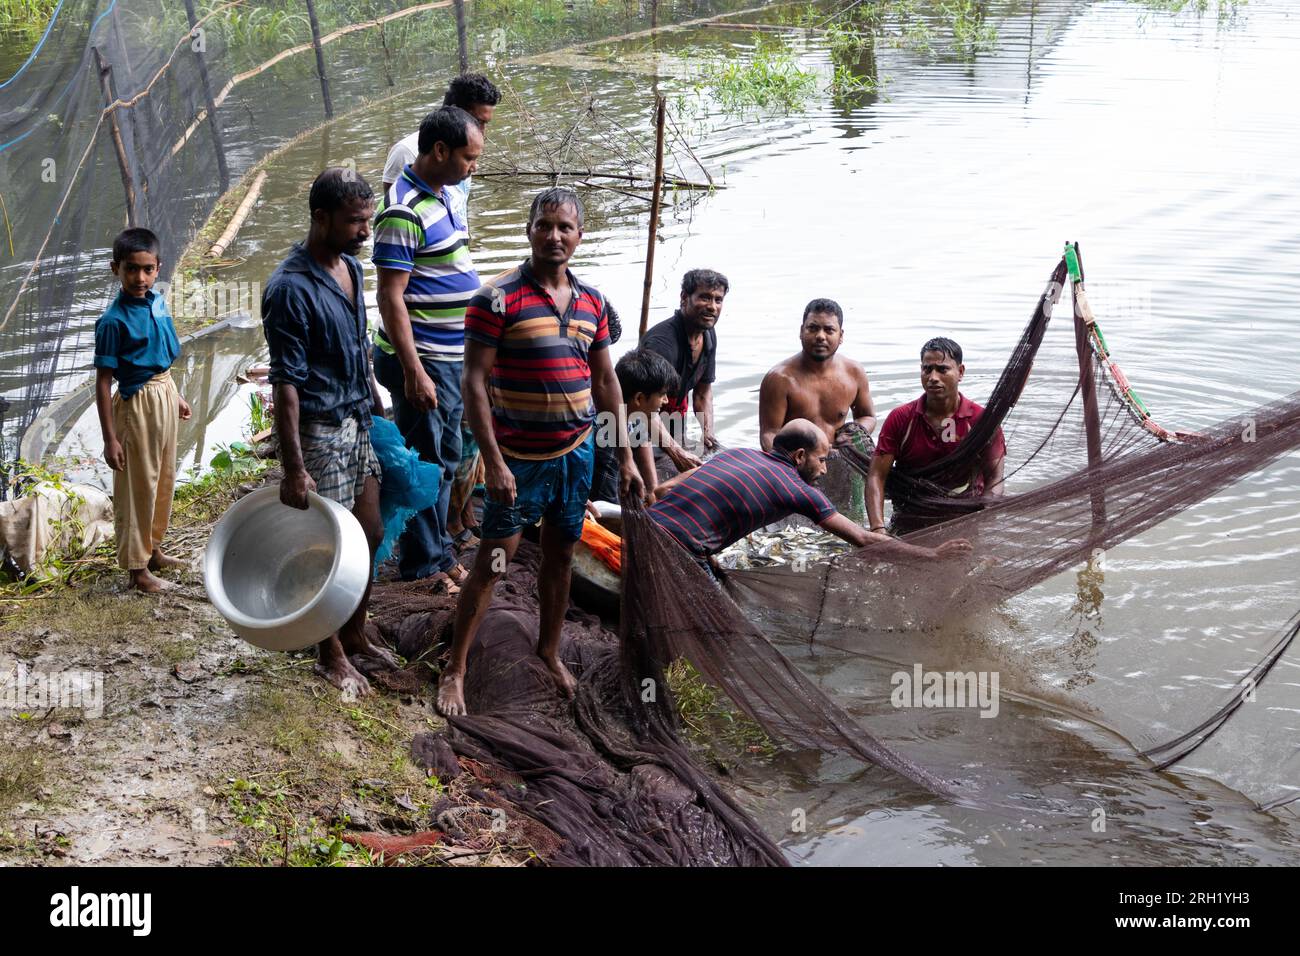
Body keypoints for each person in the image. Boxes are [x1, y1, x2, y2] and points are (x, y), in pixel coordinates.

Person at [436, 187, 643, 717]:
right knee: (494, 563)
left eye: (565, 228)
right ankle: (456, 668)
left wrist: (623, 458)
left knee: (559, 556)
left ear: (579, 235)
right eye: (544, 226)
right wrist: (495, 462)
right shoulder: (497, 299)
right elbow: (474, 384)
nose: (554, 236)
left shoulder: (592, 301)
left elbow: (606, 383)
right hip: (518, 463)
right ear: (529, 230)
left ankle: (549, 652)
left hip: (575, 456)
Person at [263, 168, 391, 697]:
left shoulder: (352, 268)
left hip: (357, 417)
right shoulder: (289, 289)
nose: (365, 231)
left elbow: (358, 343)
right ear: (320, 218)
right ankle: (329, 651)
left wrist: (374, 395)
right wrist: (294, 469)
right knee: (328, 546)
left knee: (372, 531)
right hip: (317, 429)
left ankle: (356, 631)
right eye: (355, 222)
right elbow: (287, 385)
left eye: (368, 220)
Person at [372, 106, 483, 592]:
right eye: (467, 157)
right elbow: (389, 296)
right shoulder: (402, 211)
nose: (472, 167)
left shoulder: (443, 197)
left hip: (450, 356)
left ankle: (436, 548)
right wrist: (414, 371)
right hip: (422, 360)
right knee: (424, 461)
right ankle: (424, 564)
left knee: (448, 457)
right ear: (439, 150)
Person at [650, 420, 971, 580]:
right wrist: (931, 555)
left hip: (644, 528)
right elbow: (862, 538)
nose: (825, 469)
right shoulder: (798, 490)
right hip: (676, 554)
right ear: (800, 456)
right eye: (821, 460)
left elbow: (662, 492)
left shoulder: (736, 453)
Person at [93, 227, 192, 593]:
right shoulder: (112, 322)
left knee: (163, 477)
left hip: (164, 391)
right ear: (115, 269)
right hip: (137, 405)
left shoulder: (157, 302)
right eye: (131, 269)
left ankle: (153, 548)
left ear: (158, 267)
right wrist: (110, 439)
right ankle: (137, 570)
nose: (140, 278)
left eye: (148, 269)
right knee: (137, 485)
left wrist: (176, 395)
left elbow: (159, 360)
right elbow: (104, 382)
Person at [867, 337, 1007, 536]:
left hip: (964, 517)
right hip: (911, 516)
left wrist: (984, 519)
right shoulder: (901, 419)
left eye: (942, 370)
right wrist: (878, 529)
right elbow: (876, 476)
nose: (933, 377)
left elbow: (995, 478)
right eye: (927, 369)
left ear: (960, 372)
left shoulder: (980, 420)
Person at [758, 297, 876, 520]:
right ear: (801, 332)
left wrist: (853, 433)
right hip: (798, 468)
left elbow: (867, 416)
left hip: (841, 462)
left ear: (841, 336)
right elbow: (769, 434)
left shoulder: (854, 373)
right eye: (813, 328)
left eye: (829, 330)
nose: (820, 336)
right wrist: (795, 463)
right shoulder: (780, 378)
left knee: (851, 520)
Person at [381, 72, 500, 223]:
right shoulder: (406, 152)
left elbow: (458, 210)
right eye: (477, 121)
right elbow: (396, 217)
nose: (481, 131)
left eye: (485, 124)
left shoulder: (466, 152)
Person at [641, 268, 728, 468]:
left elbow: (702, 394)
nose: (712, 306)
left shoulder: (708, 335)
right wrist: (676, 452)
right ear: (684, 298)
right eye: (704, 298)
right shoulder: (662, 344)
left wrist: (708, 435)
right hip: (639, 428)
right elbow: (644, 410)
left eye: (718, 300)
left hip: (673, 424)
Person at [589, 347, 681, 505]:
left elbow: (641, 441)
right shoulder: (606, 431)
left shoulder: (633, 414)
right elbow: (606, 501)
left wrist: (652, 490)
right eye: (662, 394)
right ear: (639, 398)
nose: (666, 400)